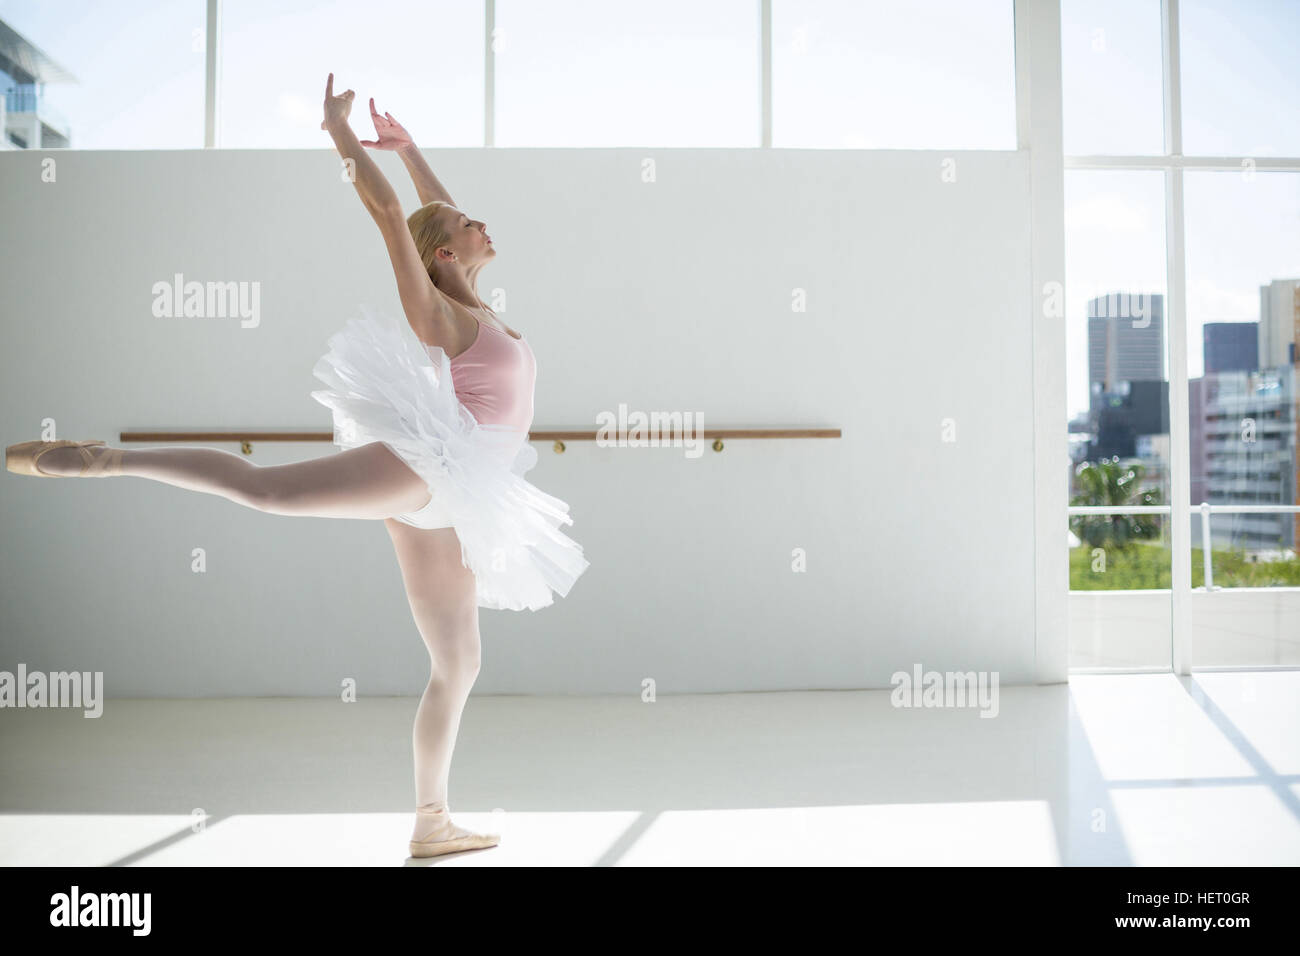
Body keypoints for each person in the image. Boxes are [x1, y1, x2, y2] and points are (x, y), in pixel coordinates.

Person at [6, 73, 589, 859]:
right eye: (467, 223)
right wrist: (340, 134)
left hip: (459, 504)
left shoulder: (479, 302)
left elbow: (432, 214)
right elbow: (396, 217)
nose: (484, 221)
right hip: (434, 470)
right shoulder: (442, 312)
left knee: (461, 662)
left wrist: (412, 148)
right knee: (269, 491)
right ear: (448, 253)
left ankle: (431, 821)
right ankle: (105, 459)